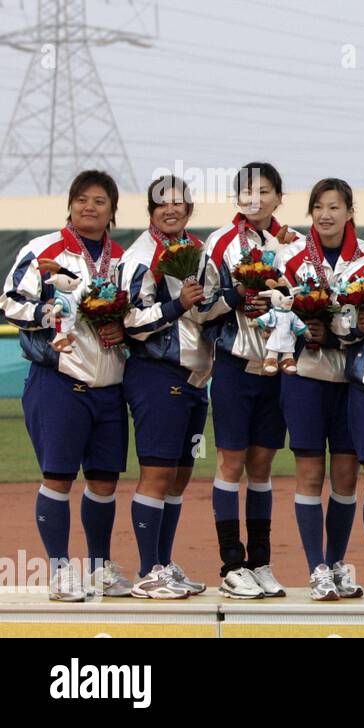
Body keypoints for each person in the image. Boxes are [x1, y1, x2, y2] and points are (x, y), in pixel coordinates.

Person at [3, 170, 130, 601]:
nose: (89, 207)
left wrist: (122, 329)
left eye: (99, 200)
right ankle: (60, 571)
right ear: (70, 205)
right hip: (59, 380)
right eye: (81, 199)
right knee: (57, 478)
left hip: (110, 385)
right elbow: (10, 302)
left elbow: (137, 315)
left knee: (104, 481)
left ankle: (98, 568)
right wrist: (50, 315)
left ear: (113, 210)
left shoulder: (123, 258)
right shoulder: (42, 249)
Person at [197, 162, 300, 598]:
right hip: (236, 367)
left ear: (279, 196)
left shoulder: (295, 244)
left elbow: (309, 297)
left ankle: (260, 562)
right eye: (247, 191)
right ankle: (231, 564)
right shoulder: (219, 243)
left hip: (278, 372)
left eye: (265, 190)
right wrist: (235, 296)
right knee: (231, 463)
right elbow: (200, 307)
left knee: (262, 467)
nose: (255, 198)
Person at [277, 179, 364, 599]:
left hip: (354, 380)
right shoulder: (290, 258)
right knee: (310, 473)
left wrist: (335, 335)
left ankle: (336, 564)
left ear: (350, 211)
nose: (326, 214)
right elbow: (273, 321)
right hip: (306, 378)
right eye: (318, 206)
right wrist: (302, 328)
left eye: (335, 206)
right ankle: (316, 568)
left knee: (347, 475)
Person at [119, 175, 213, 598]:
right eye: (161, 205)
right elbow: (130, 322)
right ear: (151, 211)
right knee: (157, 473)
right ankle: (146, 570)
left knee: (179, 475)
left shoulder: (197, 250)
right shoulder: (143, 256)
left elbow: (209, 307)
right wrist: (178, 305)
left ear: (189, 209)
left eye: (178, 203)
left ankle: (164, 563)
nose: (170, 210)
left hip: (195, 379)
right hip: (157, 373)